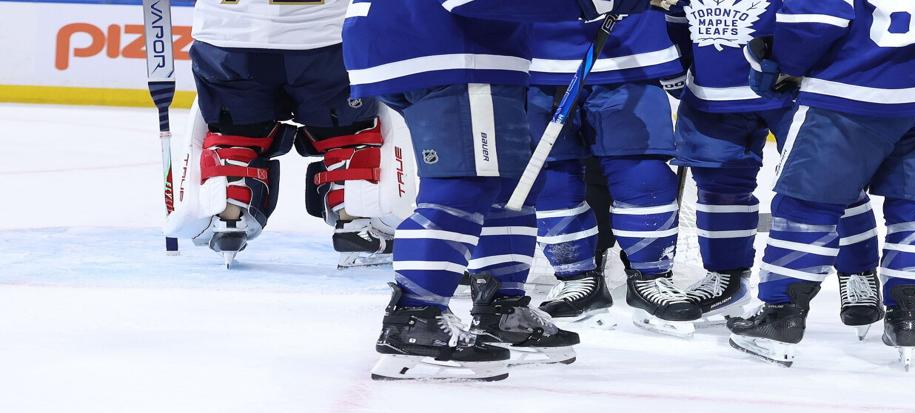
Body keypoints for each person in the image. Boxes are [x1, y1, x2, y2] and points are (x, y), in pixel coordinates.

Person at [343, 0, 650, 381]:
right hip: (448, 47)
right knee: (465, 184)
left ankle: (501, 310)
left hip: (447, 44)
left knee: (511, 187)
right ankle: (415, 317)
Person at [727, 0, 915, 370]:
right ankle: (909, 319)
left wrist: (780, 63)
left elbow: (816, 17)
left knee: (808, 205)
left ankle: (781, 318)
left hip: (850, 90)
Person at [664, 0, 883, 336]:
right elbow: (676, 15)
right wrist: (676, 65)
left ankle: (858, 272)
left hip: (795, 86)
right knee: (718, 183)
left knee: (832, 181)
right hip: (713, 88)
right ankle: (726, 276)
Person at [166, 0, 398, 268]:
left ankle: (229, 218)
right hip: (325, 39)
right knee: (345, 135)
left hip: (226, 36)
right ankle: (352, 222)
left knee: (237, 134)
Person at [524, 8, 698, 336]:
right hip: (537, 59)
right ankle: (574, 277)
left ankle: (651, 277)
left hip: (629, 56)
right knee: (552, 178)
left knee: (643, 174)